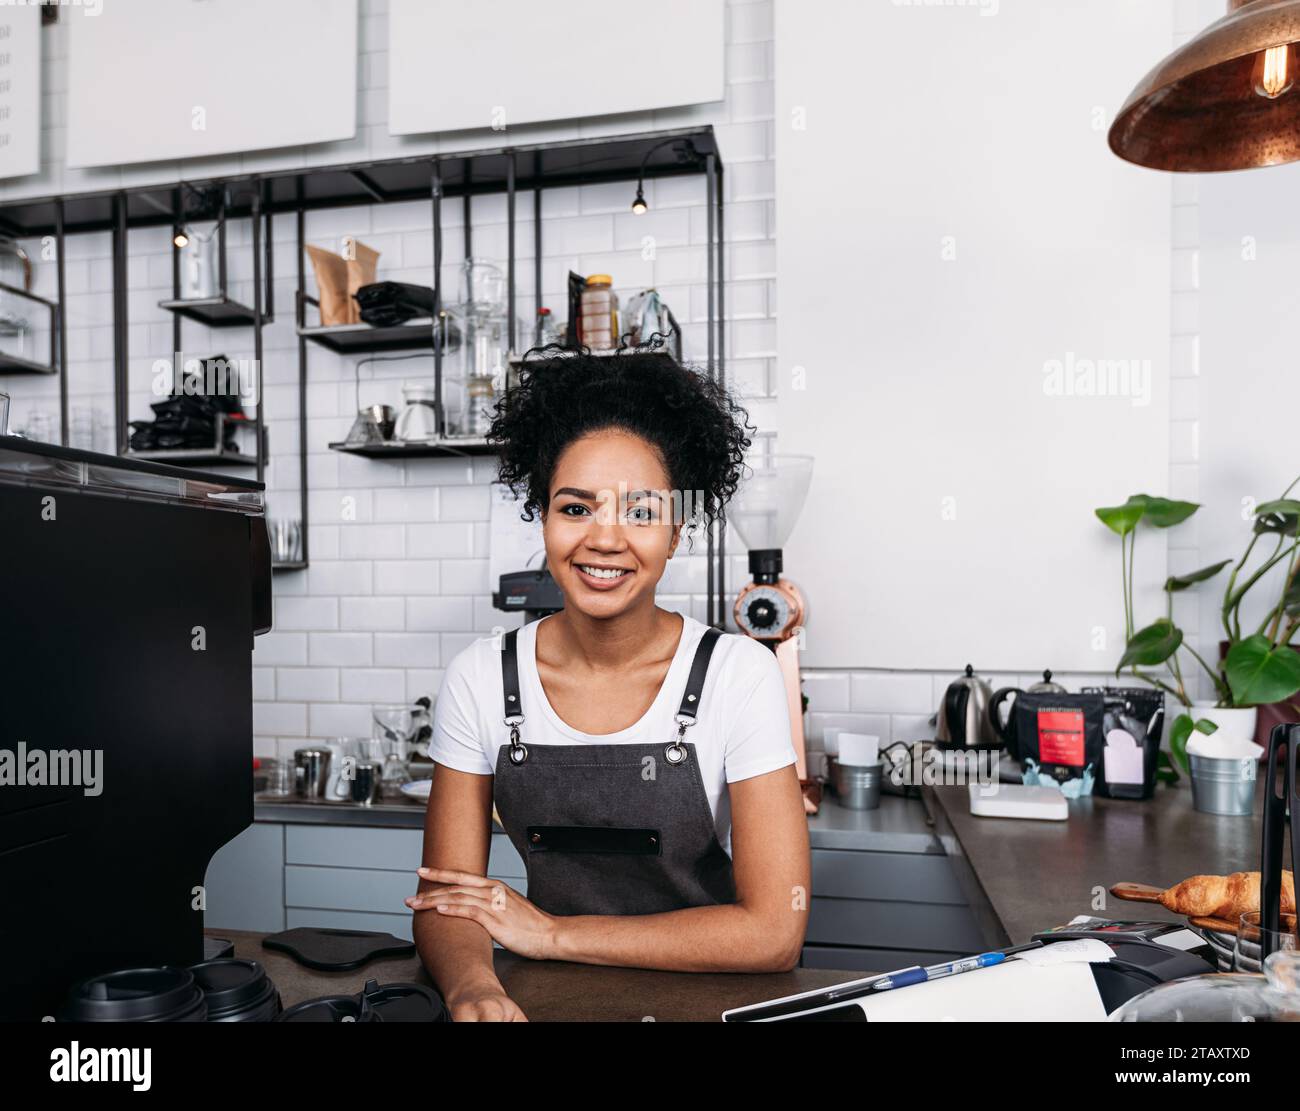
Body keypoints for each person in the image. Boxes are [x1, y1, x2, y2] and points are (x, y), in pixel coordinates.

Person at [408, 348, 810, 1021]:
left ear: (677, 531)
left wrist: (551, 932)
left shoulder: (737, 674)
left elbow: (774, 931)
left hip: (704, 1002)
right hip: (539, 1001)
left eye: (641, 512)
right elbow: (450, 900)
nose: (604, 538)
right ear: (543, 517)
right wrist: (472, 985)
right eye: (576, 506)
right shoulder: (482, 677)